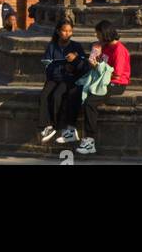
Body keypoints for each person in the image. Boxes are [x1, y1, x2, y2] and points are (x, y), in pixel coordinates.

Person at [74, 19, 130, 158]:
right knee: (77, 92)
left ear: (105, 34)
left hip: (116, 83)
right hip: (101, 80)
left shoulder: (119, 50)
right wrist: (94, 57)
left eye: (98, 34)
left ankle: (90, 140)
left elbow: (117, 72)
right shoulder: (104, 47)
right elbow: (101, 64)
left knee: (90, 103)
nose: (97, 37)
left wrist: (97, 66)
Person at [37, 19, 88, 142]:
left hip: (68, 79)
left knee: (57, 95)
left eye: (70, 31)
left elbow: (83, 65)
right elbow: (47, 65)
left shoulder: (76, 46)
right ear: (58, 31)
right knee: (44, 95)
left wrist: (75, 60)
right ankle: (47, 125)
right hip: (54, 78)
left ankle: (57, 126)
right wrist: (56, 69)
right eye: (64, 31)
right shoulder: (52, 46)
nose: (67, 33)